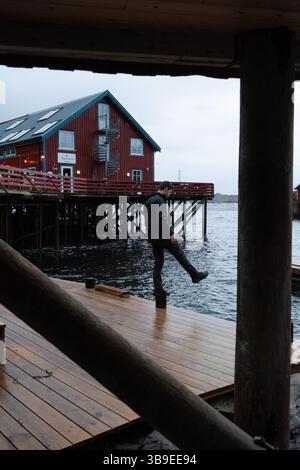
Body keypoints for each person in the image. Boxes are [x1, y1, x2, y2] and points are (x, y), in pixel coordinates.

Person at [145, 181, 208, 296]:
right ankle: (195, 275)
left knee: (158, 263)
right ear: (166, 189)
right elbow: (162, 220)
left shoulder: (149, 200)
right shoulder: (160, 201)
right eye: (170, 192)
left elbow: (148, 221)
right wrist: (171, 234)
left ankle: (157, 289)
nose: (170, 194)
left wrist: (149, 237)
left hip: (153, 237)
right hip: (163, 236)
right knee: (181, 256)